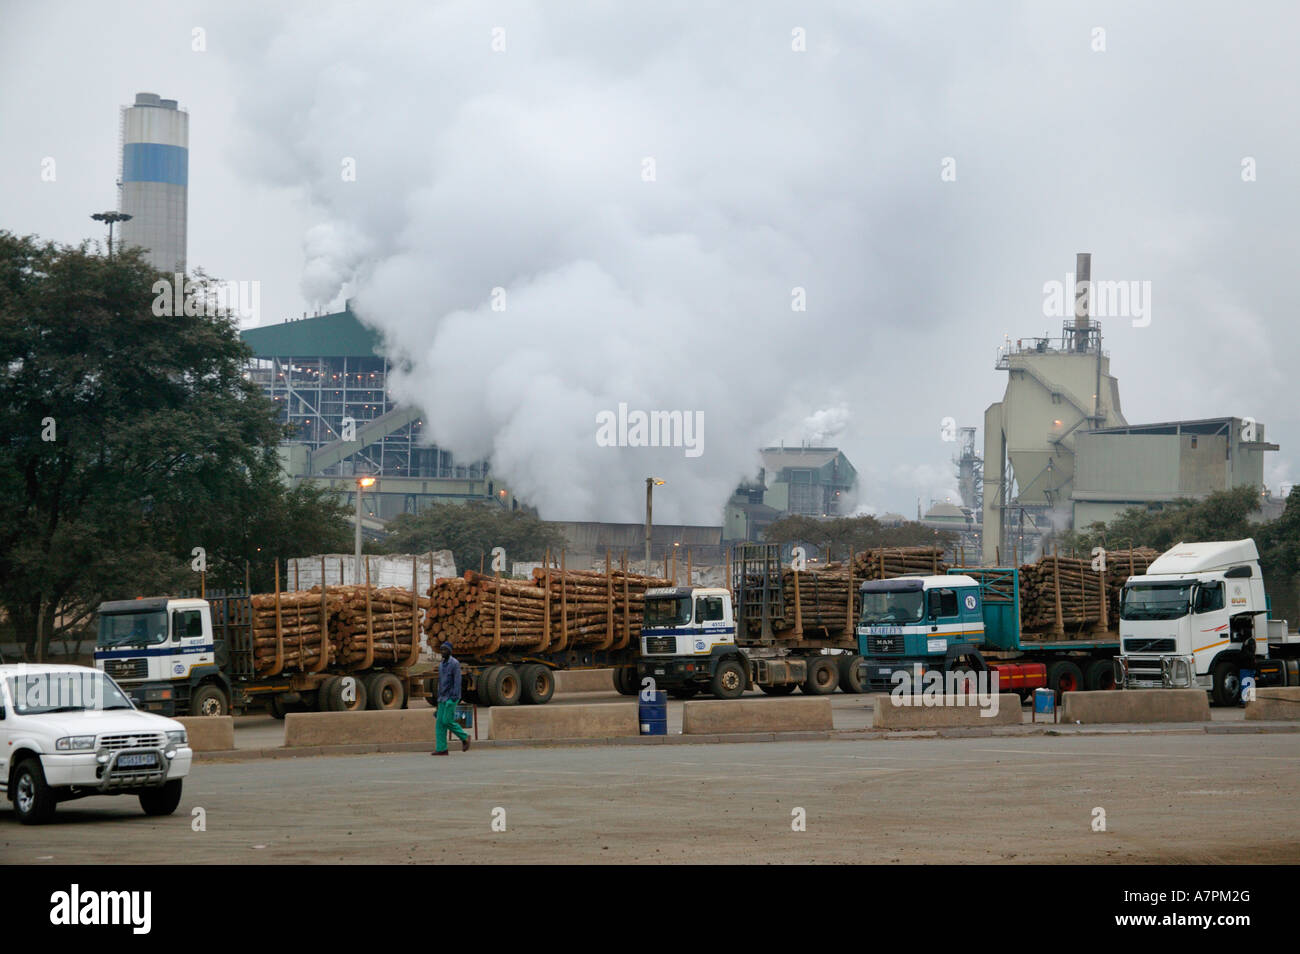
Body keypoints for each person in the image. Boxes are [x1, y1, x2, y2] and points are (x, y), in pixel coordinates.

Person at [432, 641, 471, 756]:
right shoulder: (441, 665)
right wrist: (438, 700)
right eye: (441, 650)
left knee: (447, 720)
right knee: (439, 724)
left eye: (445, 650)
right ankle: (441, 748)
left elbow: (457, 682)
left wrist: (454, 698)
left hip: (451, 697)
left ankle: (464, 737)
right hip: (442, 698)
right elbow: (440, 683)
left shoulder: (454, 663)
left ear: (450, 651)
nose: (442, 652)